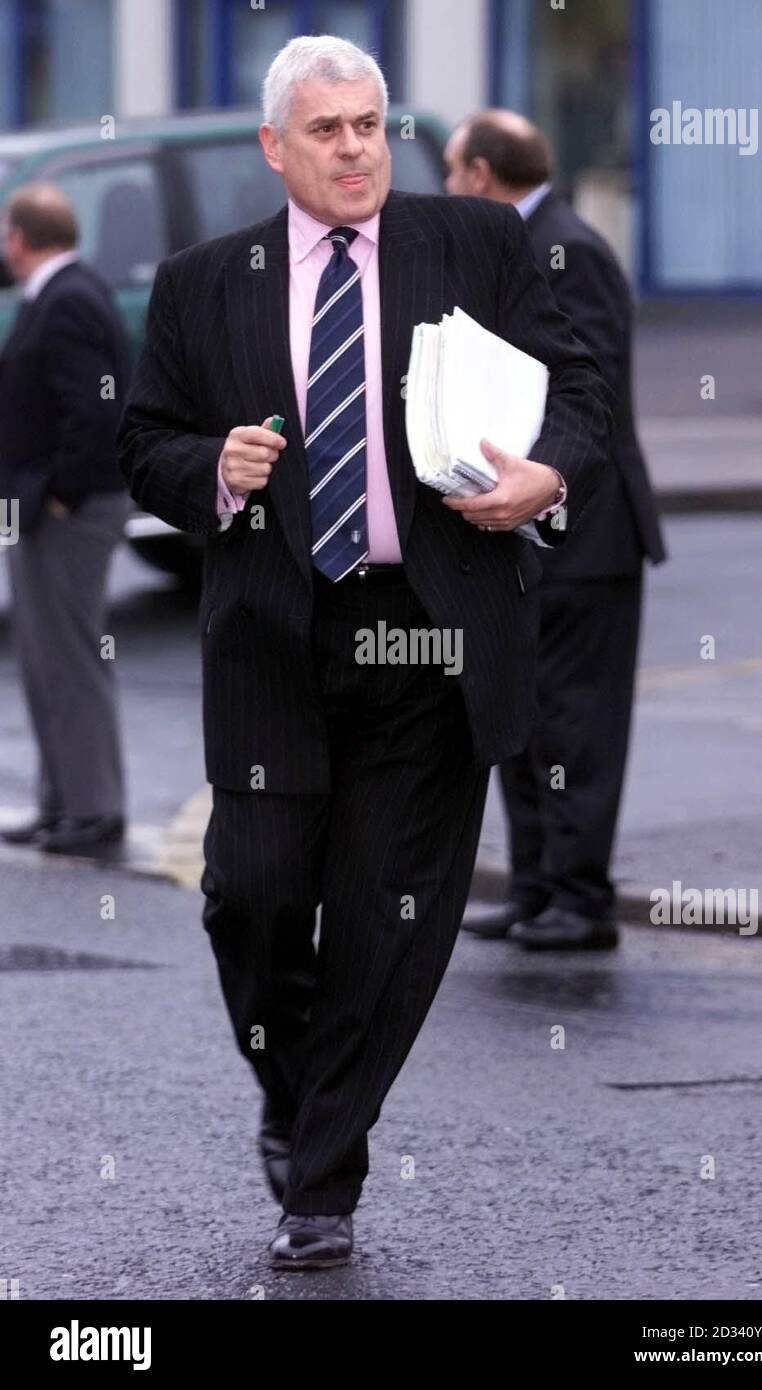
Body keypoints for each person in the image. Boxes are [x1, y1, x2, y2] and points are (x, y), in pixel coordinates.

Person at [117, 36, 613, 1271]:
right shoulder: (199, 282)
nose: (353, 150)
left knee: (388, 923)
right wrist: (209, 472)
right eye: (326, 130)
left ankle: (324, 1179)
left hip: (431, 636)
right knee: (254, 899)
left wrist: (546, 472)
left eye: (368, 127)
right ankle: (293, 1098)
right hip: (274, 639)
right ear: (275, 146)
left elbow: (582, 393)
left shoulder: (479, 245)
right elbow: (144, 444)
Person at [448, 111, 666, 952]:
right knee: (524, 713)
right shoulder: (526, 240)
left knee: (575, 722)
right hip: (530, 530)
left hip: (587, 532)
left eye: (455, 165)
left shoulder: (566, 247)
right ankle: (537, 888)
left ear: (478, 173)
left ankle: (581, 897)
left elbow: (590, 392)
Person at [0, 184, 131, 856]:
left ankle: (95, 811)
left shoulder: (68, 299)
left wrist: (61, 495)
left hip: (70, 511)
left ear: (19, 238)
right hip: (44, 507)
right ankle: (61, 804)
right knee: (45, 661)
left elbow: (95, 411)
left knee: (71, 659)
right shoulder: (62, 292)